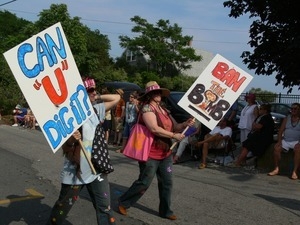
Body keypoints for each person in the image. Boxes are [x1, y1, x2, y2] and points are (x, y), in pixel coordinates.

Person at [46, 77, 120, 225]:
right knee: (62, 207)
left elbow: (116, 98)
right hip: (76, 169)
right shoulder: (68, 114)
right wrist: (73, 138)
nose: (94, 93)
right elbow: (65, 145)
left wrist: (96, 96)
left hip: (96, 167)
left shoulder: (95, 109)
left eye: (94, 90)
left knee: (104, 207)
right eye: (89, 91)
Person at [118, 81, 194, 220]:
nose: (158, 94)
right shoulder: (147, 109)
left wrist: (185, 124)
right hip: (150, 153)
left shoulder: (164, 110)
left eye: (159, 92)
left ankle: (166, 211)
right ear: (149, 95)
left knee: (167, 182)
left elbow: (176, 126)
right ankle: (123, 202)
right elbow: (154, 128)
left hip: (165, 153)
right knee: (144, 182)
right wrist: (173, 136)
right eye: (154, 92)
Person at [268, 103, 300, 180]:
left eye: (295, 109)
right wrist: (279, 142)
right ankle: (276, 168)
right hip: (286, 140)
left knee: (298, 150)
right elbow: (281, 131)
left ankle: (294, 171)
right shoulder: (287, 118)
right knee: (276, 149)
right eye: (292, 109)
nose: (293, 110)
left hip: (297, 141)